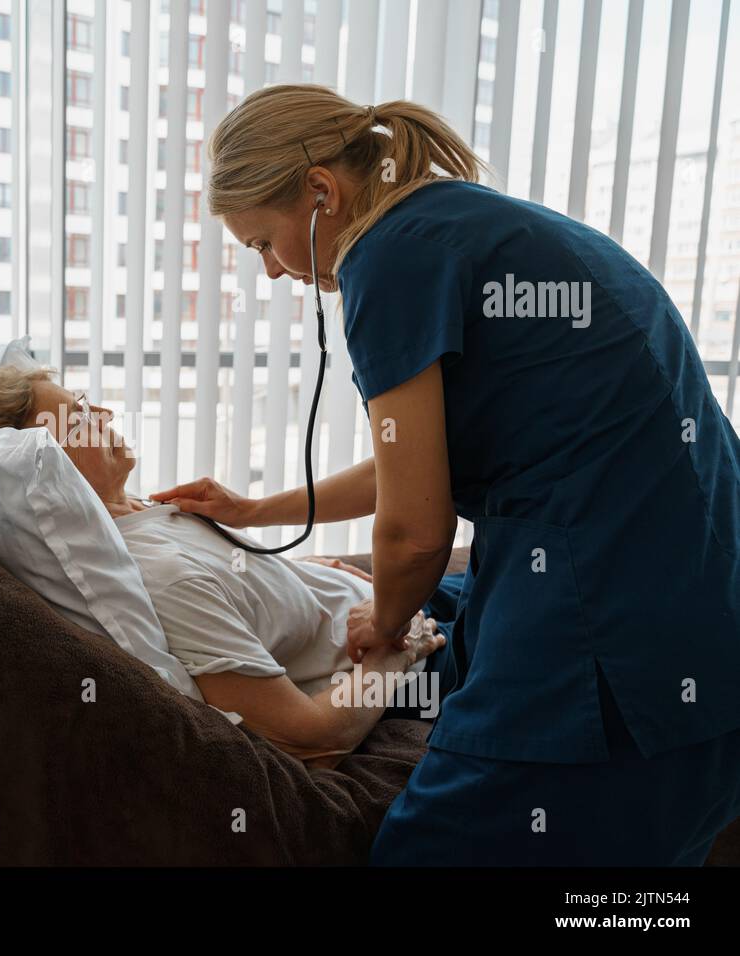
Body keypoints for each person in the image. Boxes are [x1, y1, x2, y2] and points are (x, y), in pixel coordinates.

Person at [151, 83, 740, 865]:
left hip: (622, 633)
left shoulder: (389, 257)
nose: (269, 271)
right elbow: (415, 465)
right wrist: (258, 509)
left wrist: (386, 622)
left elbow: (416, 530)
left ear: (321, 192)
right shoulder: (460, 222)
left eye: (262, 241)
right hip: (705, 607)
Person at [0, 365, 457, 767]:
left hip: (392, 604)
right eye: (79, 412)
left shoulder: (148, 511)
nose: (103, 415)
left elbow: (239, 593)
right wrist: (396, 646)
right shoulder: (161, 578)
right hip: (422, 660)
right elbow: (309, 737)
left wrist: (300, 575)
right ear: (48, 457)